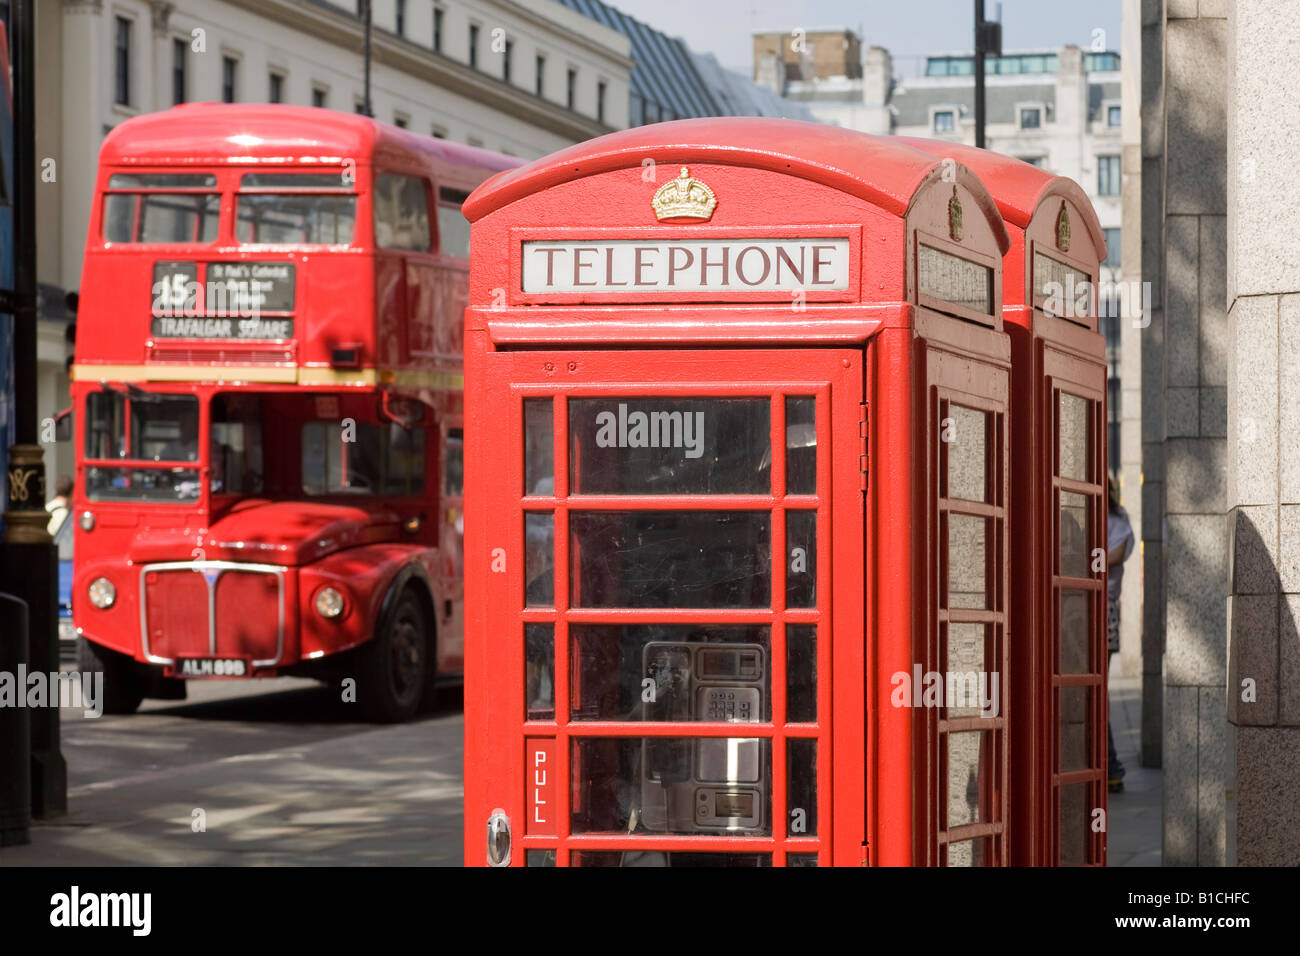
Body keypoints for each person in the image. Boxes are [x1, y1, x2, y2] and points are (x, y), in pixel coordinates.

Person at [1107, 475, 1135, 793]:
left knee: (1097, 690)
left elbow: (1109, 558)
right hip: (1076, 611)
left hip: (1104, 614)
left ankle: (1111, 764)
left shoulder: (1119, 522)